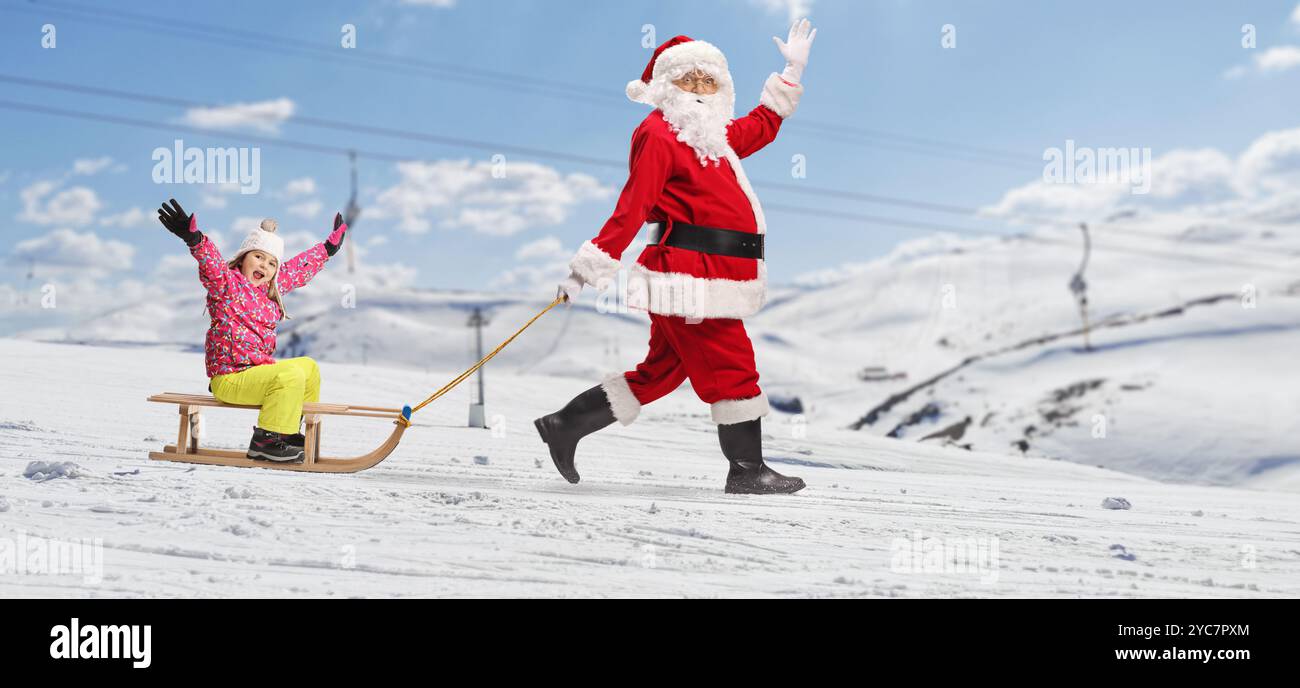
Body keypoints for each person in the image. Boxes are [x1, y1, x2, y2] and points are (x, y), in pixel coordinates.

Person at [534, 20, 817, 494]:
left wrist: (791, 70)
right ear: (667, 86)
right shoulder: (658, 134)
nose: (701, 89)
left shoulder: (714, 136)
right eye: (689, 79)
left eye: (710, 80)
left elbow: (762, 125)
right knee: (733, 364)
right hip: (689, 279)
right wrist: (584, 271)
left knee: (662, 371)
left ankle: (565, 425)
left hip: (706, 278)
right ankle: (747, 471)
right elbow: (633, 206)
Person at [156, 199, 348, 462]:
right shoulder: (226, 284)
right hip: (229, 378)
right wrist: (195, 239)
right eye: (258, 257)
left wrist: (327, 249)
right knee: (290, 375)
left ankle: (288, 433)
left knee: (308, 368)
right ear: (244, 258)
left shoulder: (270, 295)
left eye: (271, 263)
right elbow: (210, 264)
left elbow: (297, 269)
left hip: (254, 374)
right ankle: (266, 440)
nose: (264, 266)